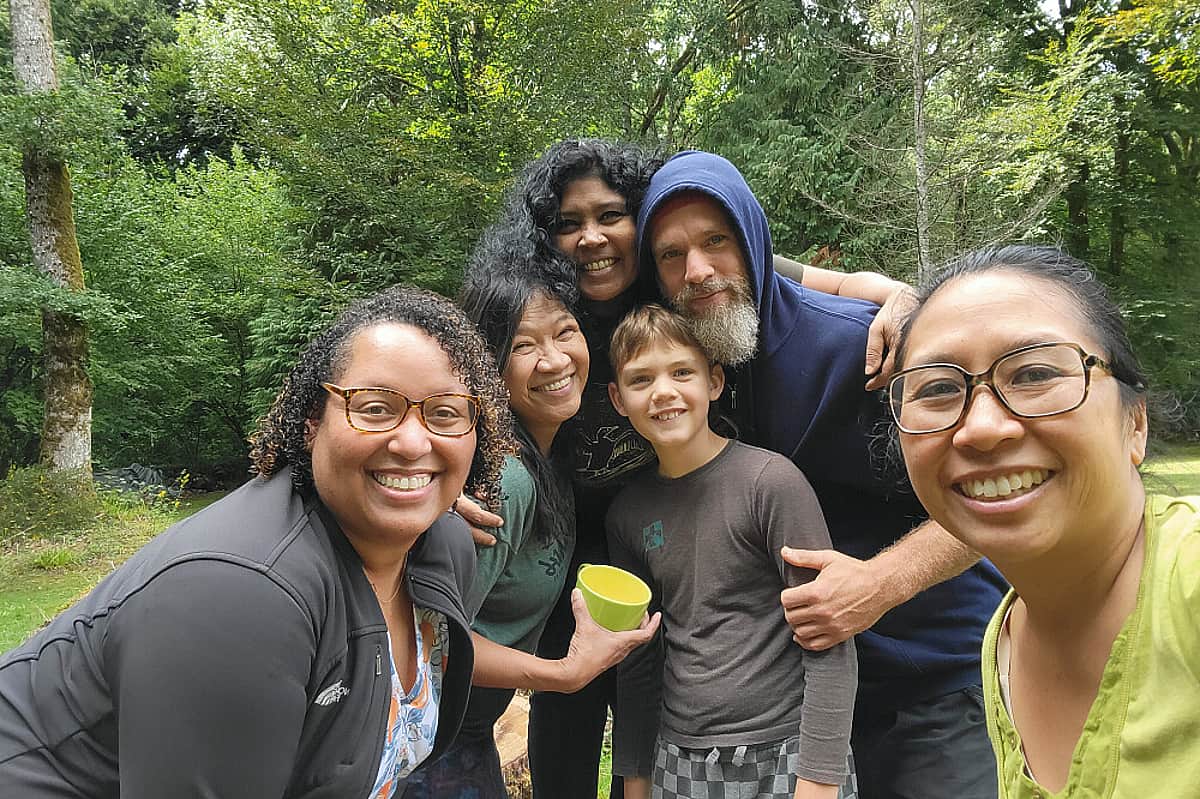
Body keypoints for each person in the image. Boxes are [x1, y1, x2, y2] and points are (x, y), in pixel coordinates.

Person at [456, 138, 911, 799]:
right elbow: (469, 369)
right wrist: (451, 478)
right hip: (577, 559)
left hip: (685, 535)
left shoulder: (673, 277)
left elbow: (786, 272)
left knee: (662, 698)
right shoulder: (544, 307)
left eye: (610, 214)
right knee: (569, 739)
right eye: (567, 223)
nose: (591, 237)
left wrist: (896, 293)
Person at [0, 286, 514, 798]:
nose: (412, 441)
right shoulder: (237, 594)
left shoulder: (442, 549)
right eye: (375, 408)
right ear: (313, 420)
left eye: (444, 413)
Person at [635, 150, 1008, 799]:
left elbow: (993, 495)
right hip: (816, 702)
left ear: (750, 239)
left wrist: (878, 584)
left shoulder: (861, 351)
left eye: (715, 240)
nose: (697, 269)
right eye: (672, 254)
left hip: (938, 683)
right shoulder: (693, 370)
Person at [888, 244, 1199, 798]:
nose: (982, 428)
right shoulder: (1004, 640)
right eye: (937, 388)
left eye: (1033, 373)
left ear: (1135, 423)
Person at [402, 233, 659, 797]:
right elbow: (433, 646)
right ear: (489, 365)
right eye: (524, 346)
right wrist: (564, 675)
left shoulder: (554, 459)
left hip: (463, 737)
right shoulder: (508, 479)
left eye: (565, 332)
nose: (554, 359)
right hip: (423, 745)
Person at [606, 304, 858, 799]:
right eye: (641, 380)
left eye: (682, 372)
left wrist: (820, 779)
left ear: (714, 382)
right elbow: (637, 657)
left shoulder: (771, 483)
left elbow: (830, 635)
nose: (663, 392)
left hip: (788, 751)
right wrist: (635, 778)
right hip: (679, 757)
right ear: (618, 398)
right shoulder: (627, 514)